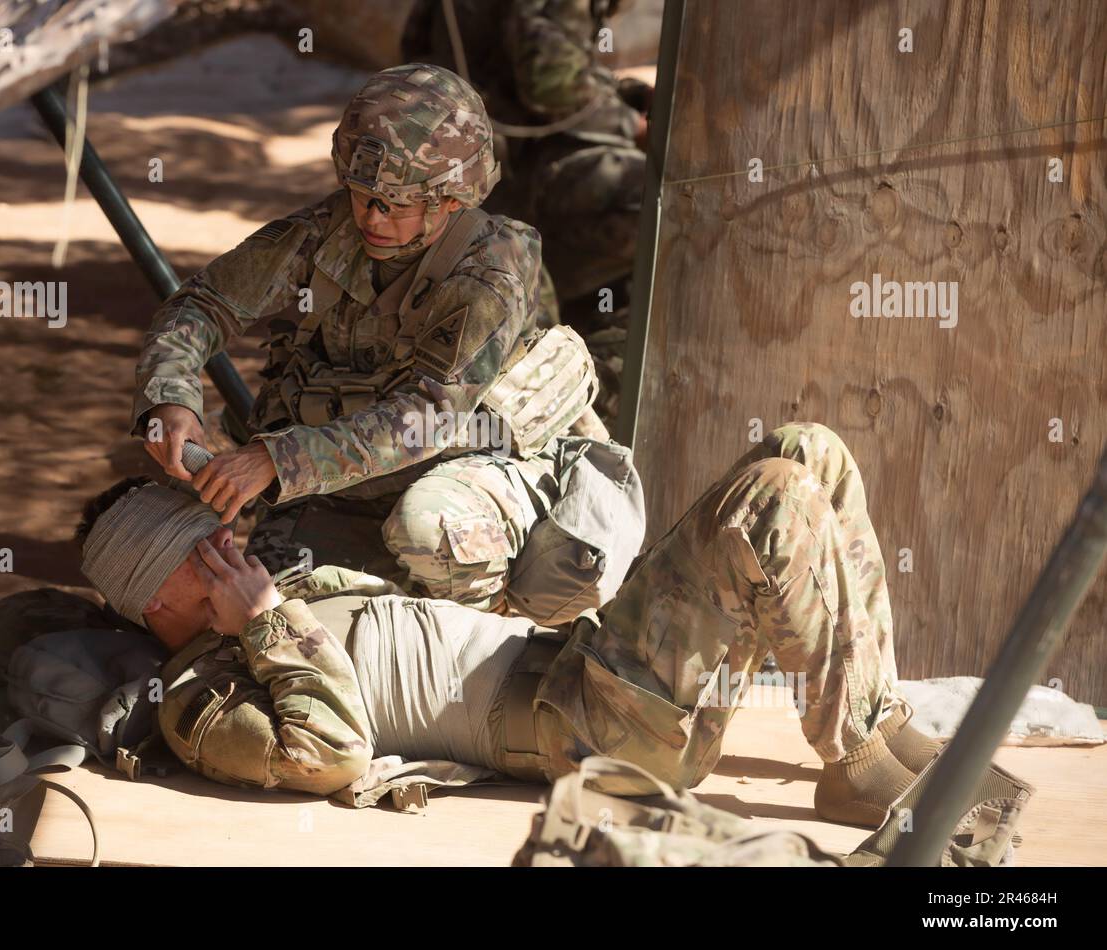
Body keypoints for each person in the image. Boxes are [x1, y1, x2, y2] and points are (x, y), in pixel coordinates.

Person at [75, 421, 981, 827]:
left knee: (805, 448)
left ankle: (876, 722)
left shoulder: (294, 589)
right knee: (771, 500)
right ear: (157, 598)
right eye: (203, 550)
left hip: (592, 666)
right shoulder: (201, 697)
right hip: (593, 728)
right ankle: (857, 765)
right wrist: (267, 624)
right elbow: (331, 756)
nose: (229, 543)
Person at [132, 63, 605, 613]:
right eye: (360, 194)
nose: (371, 218)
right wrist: (169, 396)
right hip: (341, 483)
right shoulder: (331, 228)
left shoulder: (492, 268)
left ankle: (502, 629)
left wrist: (276, 461)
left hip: (465, 485)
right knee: (275, 617)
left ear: (451, 199)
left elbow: (430, 417)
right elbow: (206, 302)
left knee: (425, 542)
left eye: (395, 204)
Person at [403, 0, 652, 423]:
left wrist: (622, 94)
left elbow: (416, 49)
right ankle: (597, 381)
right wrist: (635, 125)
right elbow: (550, 83)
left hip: (475, 178)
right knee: (670, 207)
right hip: (524, 180)